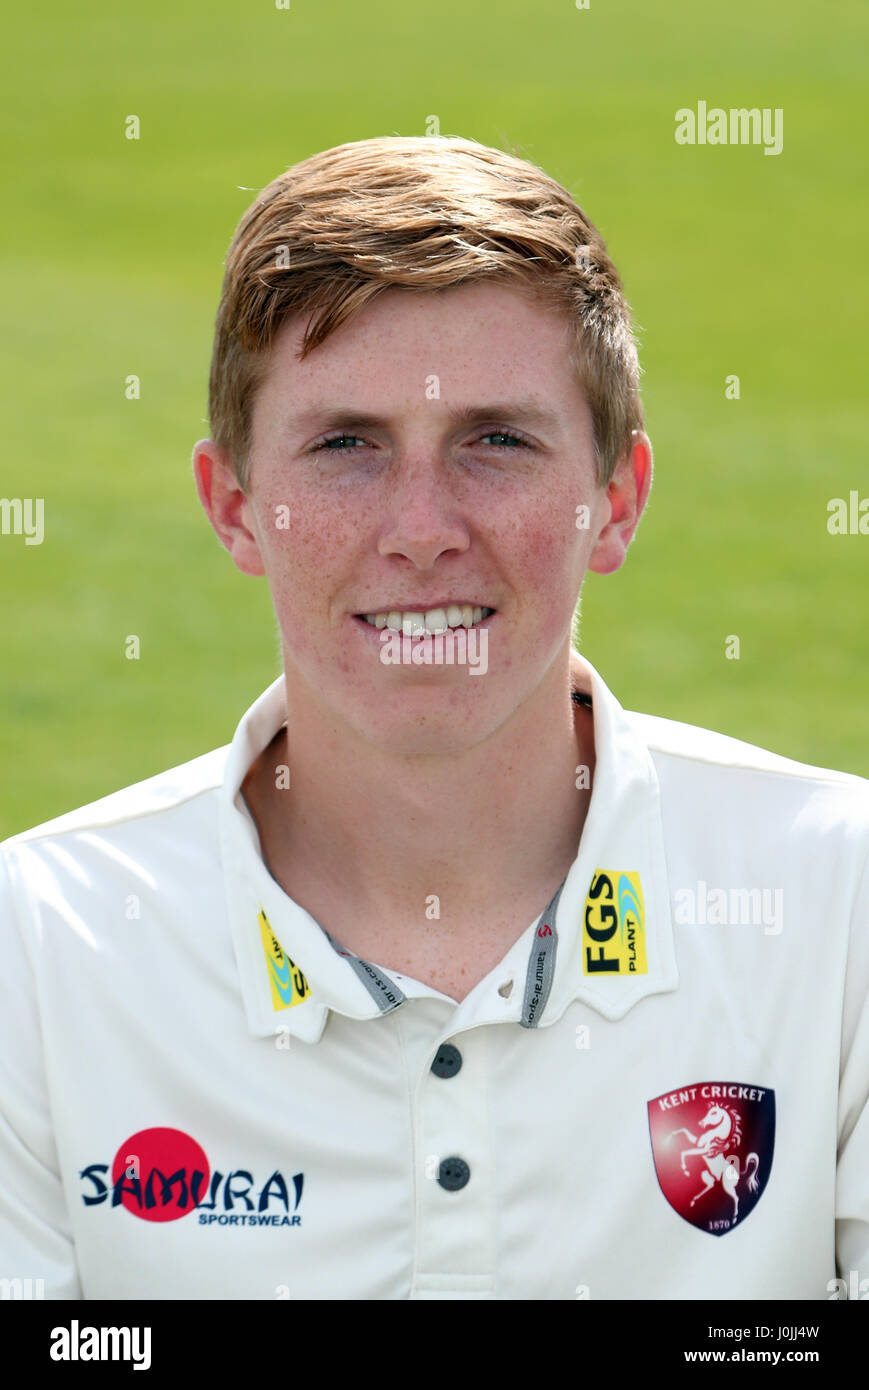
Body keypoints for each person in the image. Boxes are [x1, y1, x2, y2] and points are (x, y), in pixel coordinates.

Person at [1, 135, 866, 1302]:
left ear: (613, 502)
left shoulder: (839, 906)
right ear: (235, 507)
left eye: (495, 440)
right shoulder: (38, 951)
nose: (421, 528)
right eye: (345, 445)